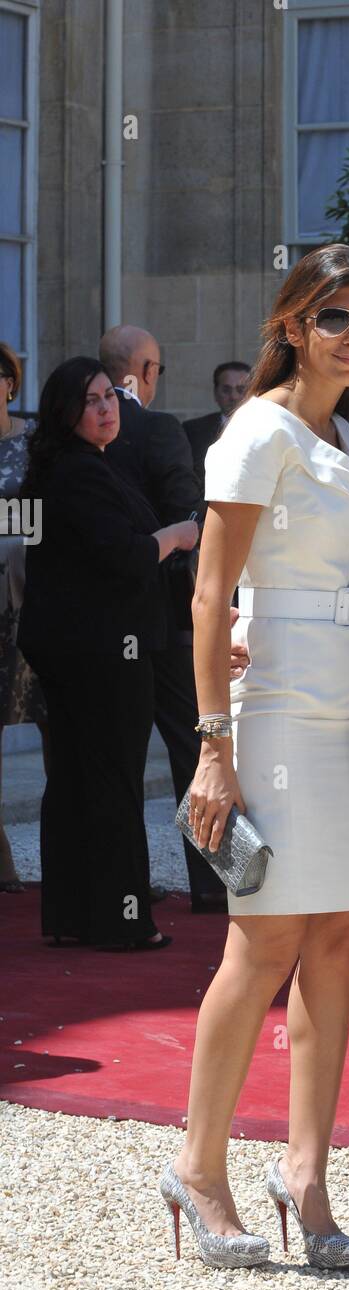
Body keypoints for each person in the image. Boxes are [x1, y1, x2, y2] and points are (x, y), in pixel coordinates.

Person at [160, 245, 349, 1271]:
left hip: (346, 700)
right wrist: (213, 748)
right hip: (273, 706)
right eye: (335, 317)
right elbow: (210, 592)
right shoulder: (257, 428)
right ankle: (198, 1166)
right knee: (261, 943)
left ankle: (305, 1171)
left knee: (338, 938)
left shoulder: (348, 434)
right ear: (292, 325)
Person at [16, 358, 198, 948]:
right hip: (103, 650)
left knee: (76, 778)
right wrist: (178, 535)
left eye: (109, 397)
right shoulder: (80, 472)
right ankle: (122, 922)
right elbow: (125, 556)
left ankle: (73, 917)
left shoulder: (74, 466)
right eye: (91, 400)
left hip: (79, 646)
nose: (105, 409)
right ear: (66, 412)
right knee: (111, 780)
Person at [100, 325, 226, 913]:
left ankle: (120, 887)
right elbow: (189, 518)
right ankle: (212, 884)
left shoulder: (72, 435)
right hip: (163, 614)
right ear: (146, 371)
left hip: (97, 620)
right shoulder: (158, 429)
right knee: (192, 749)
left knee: (112, 756)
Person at [0, 343, 48, 892]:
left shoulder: (36, 443)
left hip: (33, 602)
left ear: (11, 384)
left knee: (55, 724)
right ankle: (2, 861)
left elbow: (46, 518)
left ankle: (72, 862)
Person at [183, 362, 250, 485]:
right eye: (226, 390)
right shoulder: (192, 430)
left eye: (241, 390)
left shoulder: (267, 430)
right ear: (215, 393)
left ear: (252, 393)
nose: (233, 396)